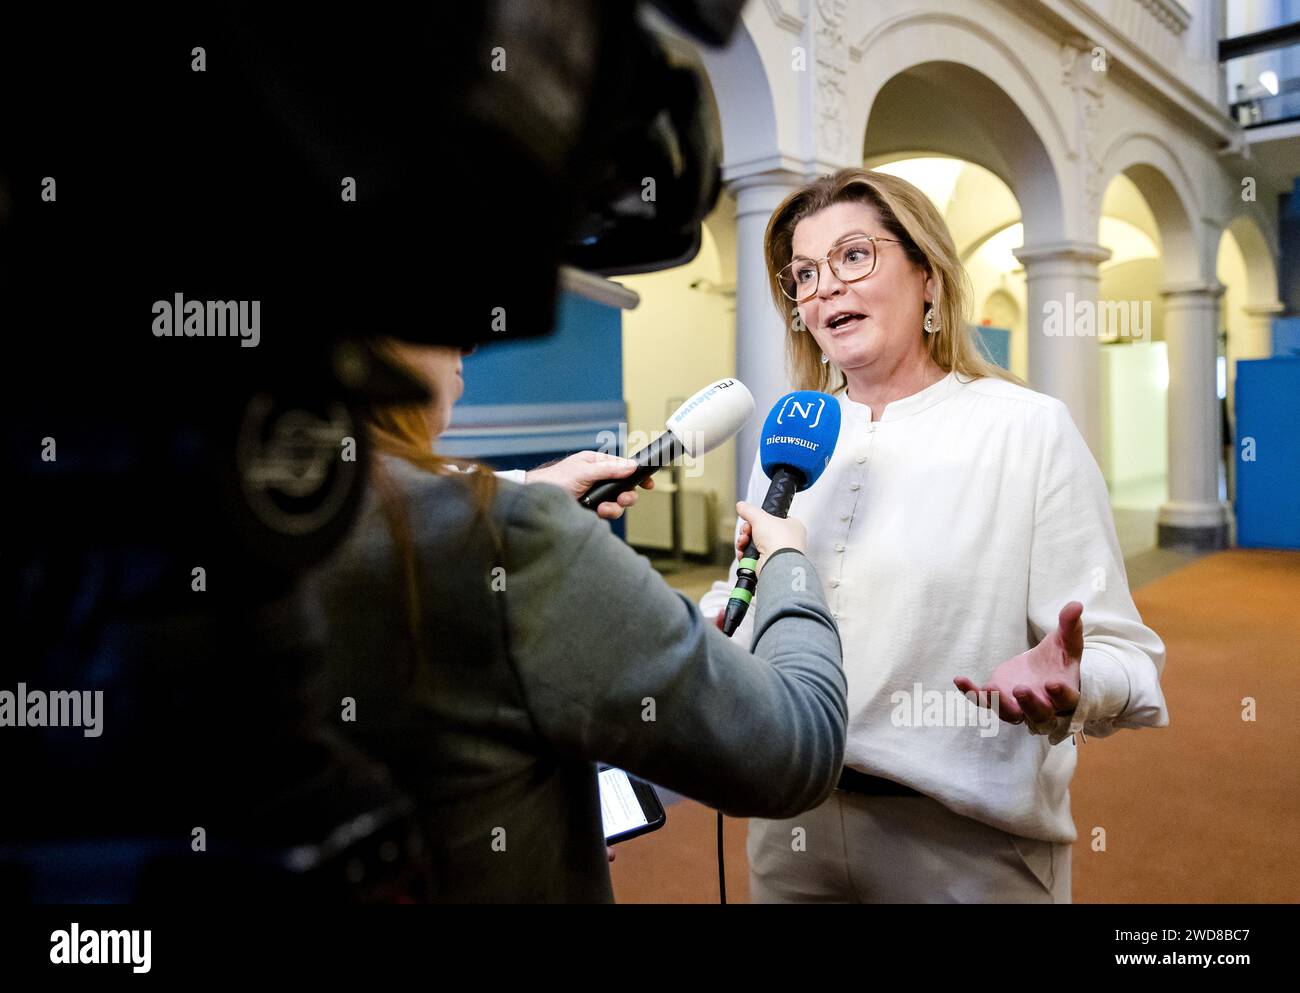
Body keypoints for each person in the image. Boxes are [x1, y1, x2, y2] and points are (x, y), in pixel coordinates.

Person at [701, 167, 1168, 904]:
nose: (825, 288)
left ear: (927, 275)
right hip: (790, 825)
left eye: (855, 256)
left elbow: (1127, 659)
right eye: (804, 273)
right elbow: (748, 604)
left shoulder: (1025, 429)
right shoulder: (793, 437)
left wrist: (1076, 685)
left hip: (962, 845)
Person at [305, 337, 848, 902]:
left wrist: (529, 489)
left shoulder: (259, 514)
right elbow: (794, 749)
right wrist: (789, 562)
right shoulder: (504, 539)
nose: (467, 338)